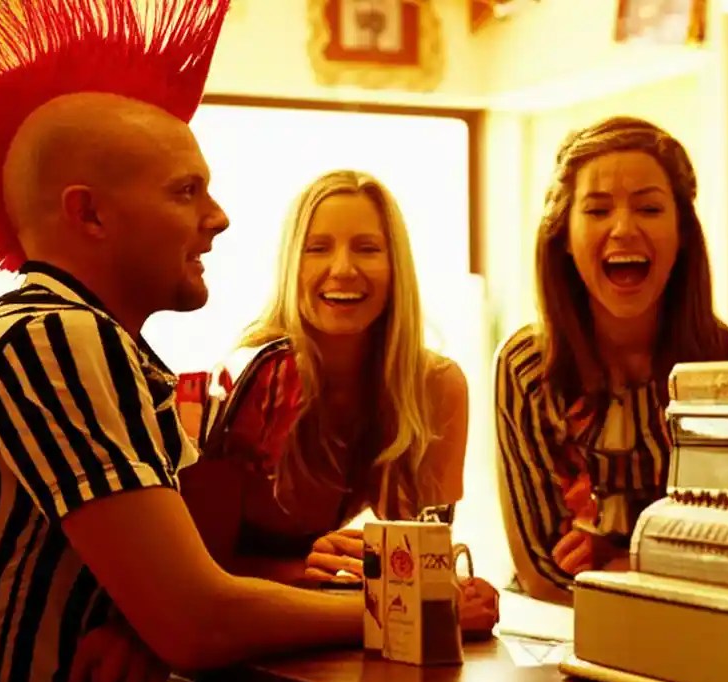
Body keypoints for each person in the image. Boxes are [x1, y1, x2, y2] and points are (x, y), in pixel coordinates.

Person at [0, 2, 490, 682]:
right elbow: (197, 618)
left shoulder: (88, 345)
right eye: (186, 191)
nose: (220, 218)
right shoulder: (57, 341)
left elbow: (166, 593)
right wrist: (412, 610)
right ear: (90, 214)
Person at [177, 170, 493, 612]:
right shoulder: (249, 379)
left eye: (367, 248)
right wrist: (308, 572)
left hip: (343, 634)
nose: (343, 269)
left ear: (396, 264)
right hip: (243, 634)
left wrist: (454, 591)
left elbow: (423, 561)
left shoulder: (436, 385)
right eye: (318, 248)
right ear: (293, 264)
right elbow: (196, 572)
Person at [495, 116, 728, 604]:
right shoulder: (528, 368)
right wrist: (674, 566)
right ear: (564, 238)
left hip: (700, 637)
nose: (623, 228)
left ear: (682, 233)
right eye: (597, 210)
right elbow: (540, 571)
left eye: (649, 208)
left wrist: (627, 560)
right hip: (555, 638)